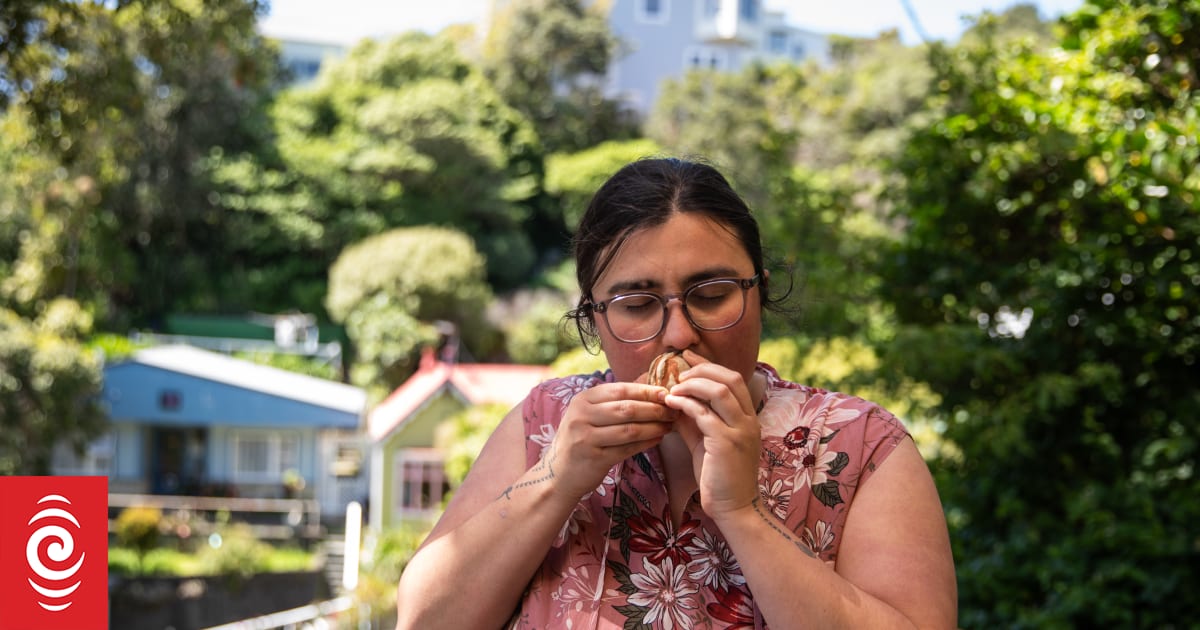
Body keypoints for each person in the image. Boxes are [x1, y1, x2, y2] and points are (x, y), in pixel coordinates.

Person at [395, 157, 957, 629]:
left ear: (759, 292)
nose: (680, 334)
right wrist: (556, 478)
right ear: (593, 321)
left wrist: (742, 512)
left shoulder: (861, 447)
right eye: (637, 305)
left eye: (710, 294)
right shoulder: (546, 422)